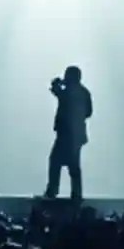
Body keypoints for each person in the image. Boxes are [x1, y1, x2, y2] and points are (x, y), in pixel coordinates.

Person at [44, 65, 92, 201]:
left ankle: (52, 190)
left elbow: (58, 93)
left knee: (56, 162)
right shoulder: (84, 92)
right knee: (73, 165)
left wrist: (56, 84)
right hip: (77, 135)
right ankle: (76, 193)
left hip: (66, 133)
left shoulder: (71, 91)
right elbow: (88, 112)